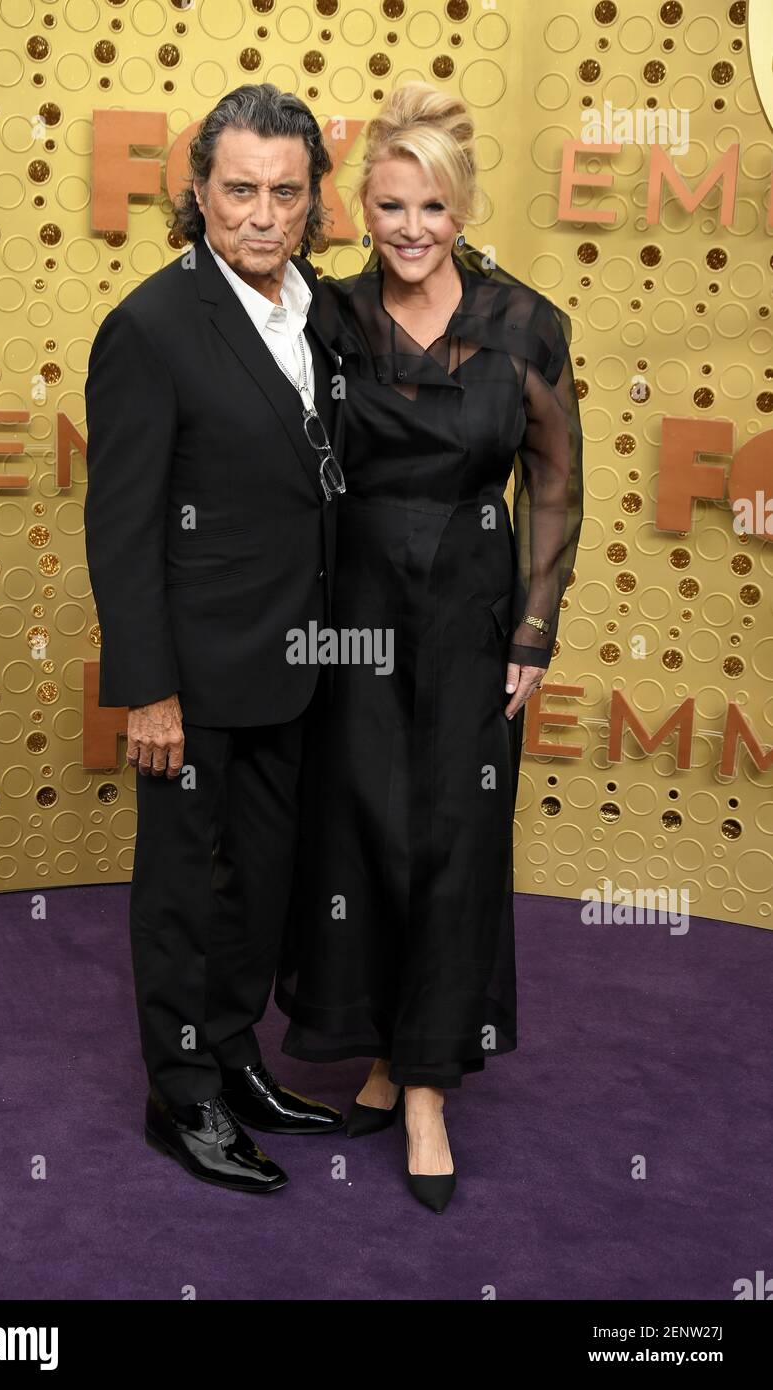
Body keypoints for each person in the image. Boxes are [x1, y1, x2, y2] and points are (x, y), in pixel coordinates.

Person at [275, 83, 584, 1212]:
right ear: (361, 207)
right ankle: (375, 1047)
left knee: (453, 836)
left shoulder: (523, 322)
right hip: (351, 600)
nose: (410, 229)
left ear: (462, 211)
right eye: (390, 206)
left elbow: (552, 481)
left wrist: (534, 627)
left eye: (432, 209)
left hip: (468, 601)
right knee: (359, 829)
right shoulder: (327, 315)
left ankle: (425, 1085)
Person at [84, 84, 347, 1196]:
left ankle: (237, 1057)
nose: (261, 214)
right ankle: (180, 1093)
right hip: (190, 682)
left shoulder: (319, 312)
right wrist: (146, 690)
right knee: (185, 890)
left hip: (297, 668)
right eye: (238, 190)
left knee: (267, 883)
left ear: (310, 201)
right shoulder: (148, 327)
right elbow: (123, 523)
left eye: (284, 192)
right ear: (197, 192)